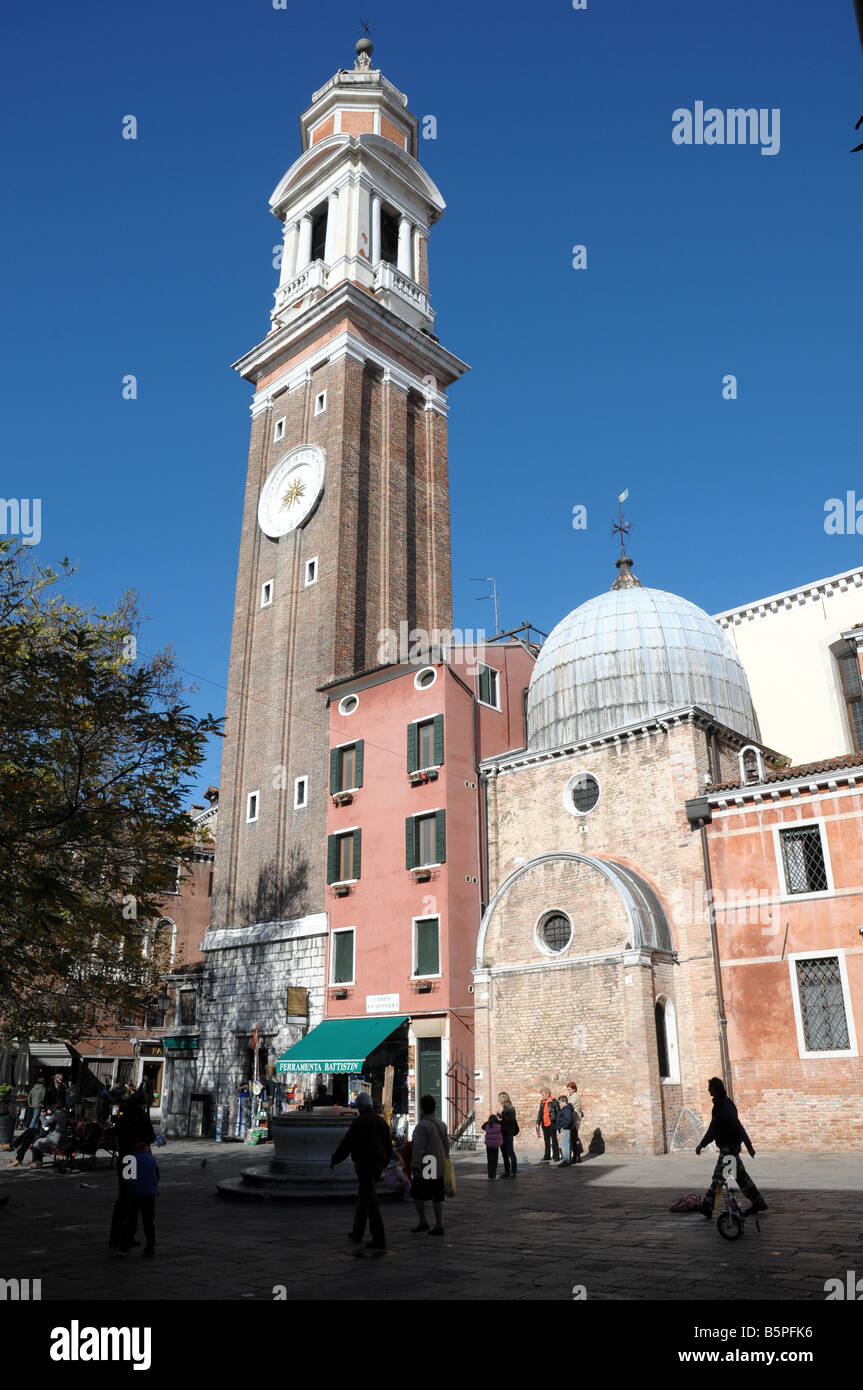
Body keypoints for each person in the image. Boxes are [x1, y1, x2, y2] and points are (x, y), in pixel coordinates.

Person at [695, 1077, 767, 1217]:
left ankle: (708, 1207)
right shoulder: (720, 1105)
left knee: (718, 1179)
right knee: (741, 1177)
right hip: (730, 1148)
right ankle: (758, 1202)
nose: (708, 1090)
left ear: (715, 1089)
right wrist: (702, 1144)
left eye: (710, 1087)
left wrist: (749, 1145)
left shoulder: (724, 1106)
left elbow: (736, 1126)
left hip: (729, 1149)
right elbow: (713, 1129)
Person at [330, 1091, 392, 1253]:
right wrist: (384, 1164)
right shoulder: (381, 1122)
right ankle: (357, 1232)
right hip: (378, 1164)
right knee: (364, 1197)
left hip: (365, 1165)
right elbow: (388, 1146)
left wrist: (335, 1159)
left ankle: (379, 1239)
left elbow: (347, 1143)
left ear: (359, 1107)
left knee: (371, 1203)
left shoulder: (359, 1122)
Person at [109, 1098, 156, 1252]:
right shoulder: (141, 1117)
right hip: (138, 1161)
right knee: (136, 1199)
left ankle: (116, 1237)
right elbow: (151, 1137)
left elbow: (114, 1134)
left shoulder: (123, 1118)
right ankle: (128, 1237)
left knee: (124, 1197)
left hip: (125, 1160)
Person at [410, 1094, 450, 1235]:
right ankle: (437, 1223)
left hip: (427, 1163)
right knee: (436, 1194)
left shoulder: (422, 1126)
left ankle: (424, 1221)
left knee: (417, 1193)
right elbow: (447, 1144)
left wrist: (415, 1165)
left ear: (422, 1108)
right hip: (438, 1162)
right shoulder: (442, 1124)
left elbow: (418, 1148)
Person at [118, 1141, 159, 1257]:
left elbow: (126, 1179)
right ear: (146, 1148)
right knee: (148, 1221)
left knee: (131, 1220)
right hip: (149, 1195)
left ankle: (124, 1247)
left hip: (134, 1194)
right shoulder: (152, 1160)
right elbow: (157, 1176)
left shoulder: (129, 1159)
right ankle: (150, 1247)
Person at [25, 1104, 67, 1169]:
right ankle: (38, 1162)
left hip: (54, 1139)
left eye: (49, 1107)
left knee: (35, 1143)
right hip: (60, 1137)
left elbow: (45, 1123)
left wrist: (42, 1116)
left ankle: (37, 1162)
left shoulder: (56, 1114)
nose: (48, 1109)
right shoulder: (62, 1113)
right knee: (38, 1140)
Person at [497, 1092, 519, 1178]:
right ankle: (507, 1172)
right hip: (503, 1132)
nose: (498, 1100)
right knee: (504, 1154)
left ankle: (513, 1172)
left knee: (510, 1153)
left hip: (508, 1133)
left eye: (499, 1098)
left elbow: (510, 1121)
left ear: (503, 1098)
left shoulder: (510, 1108)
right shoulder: (505, 1108)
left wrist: (502, 1117)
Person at [536, 1087, 560, 1162]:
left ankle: (556, 1156)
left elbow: (558, 1113)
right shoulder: (542, 1102)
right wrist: (537, 1123)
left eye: (543, 1094)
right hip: (544, 1123)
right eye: (542, 1095)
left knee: (554, 1140)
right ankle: (547, 1156)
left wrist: (558, 1123)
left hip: (552, 1123)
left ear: (548, 1094)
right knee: (546, 1140)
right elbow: (540, 1113)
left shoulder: (554, 1101)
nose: (542, 1096)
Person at [481, 1112, 503, 1180]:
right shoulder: (499, 1125)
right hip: (495, 1145)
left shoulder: (487, 1125)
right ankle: (493, 1176)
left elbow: (482, 1126)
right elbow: (502, 1123)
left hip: (489, 1145)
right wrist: (498, 1118)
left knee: (489, 1160)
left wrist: (489, 1121)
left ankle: (489, 1176)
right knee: (494, 1161)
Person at [566, 1081, 584, 1163]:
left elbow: (569, 1105)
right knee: (574, 1137)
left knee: (574, 1137)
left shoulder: (575, 1097)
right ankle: (576, 1156)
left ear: (574, 1089)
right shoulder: (570, 1095)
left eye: (570, 1089)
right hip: (572, 1118)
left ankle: (577, 1156)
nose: (568, 1091)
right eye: (568, 1089)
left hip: (575, 1119)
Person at [555, 1095, 575, 1166]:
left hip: (565, 1129)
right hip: (564, 1129)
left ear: (564, 1102)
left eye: (560, 1103)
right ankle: (567, 1160)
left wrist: (564, 1126)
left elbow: (568, 1120)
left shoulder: (566, 1109)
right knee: (565, 1144)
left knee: (565, 1145)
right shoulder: (565, 1109)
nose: (559, 1104)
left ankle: (566, 1160)